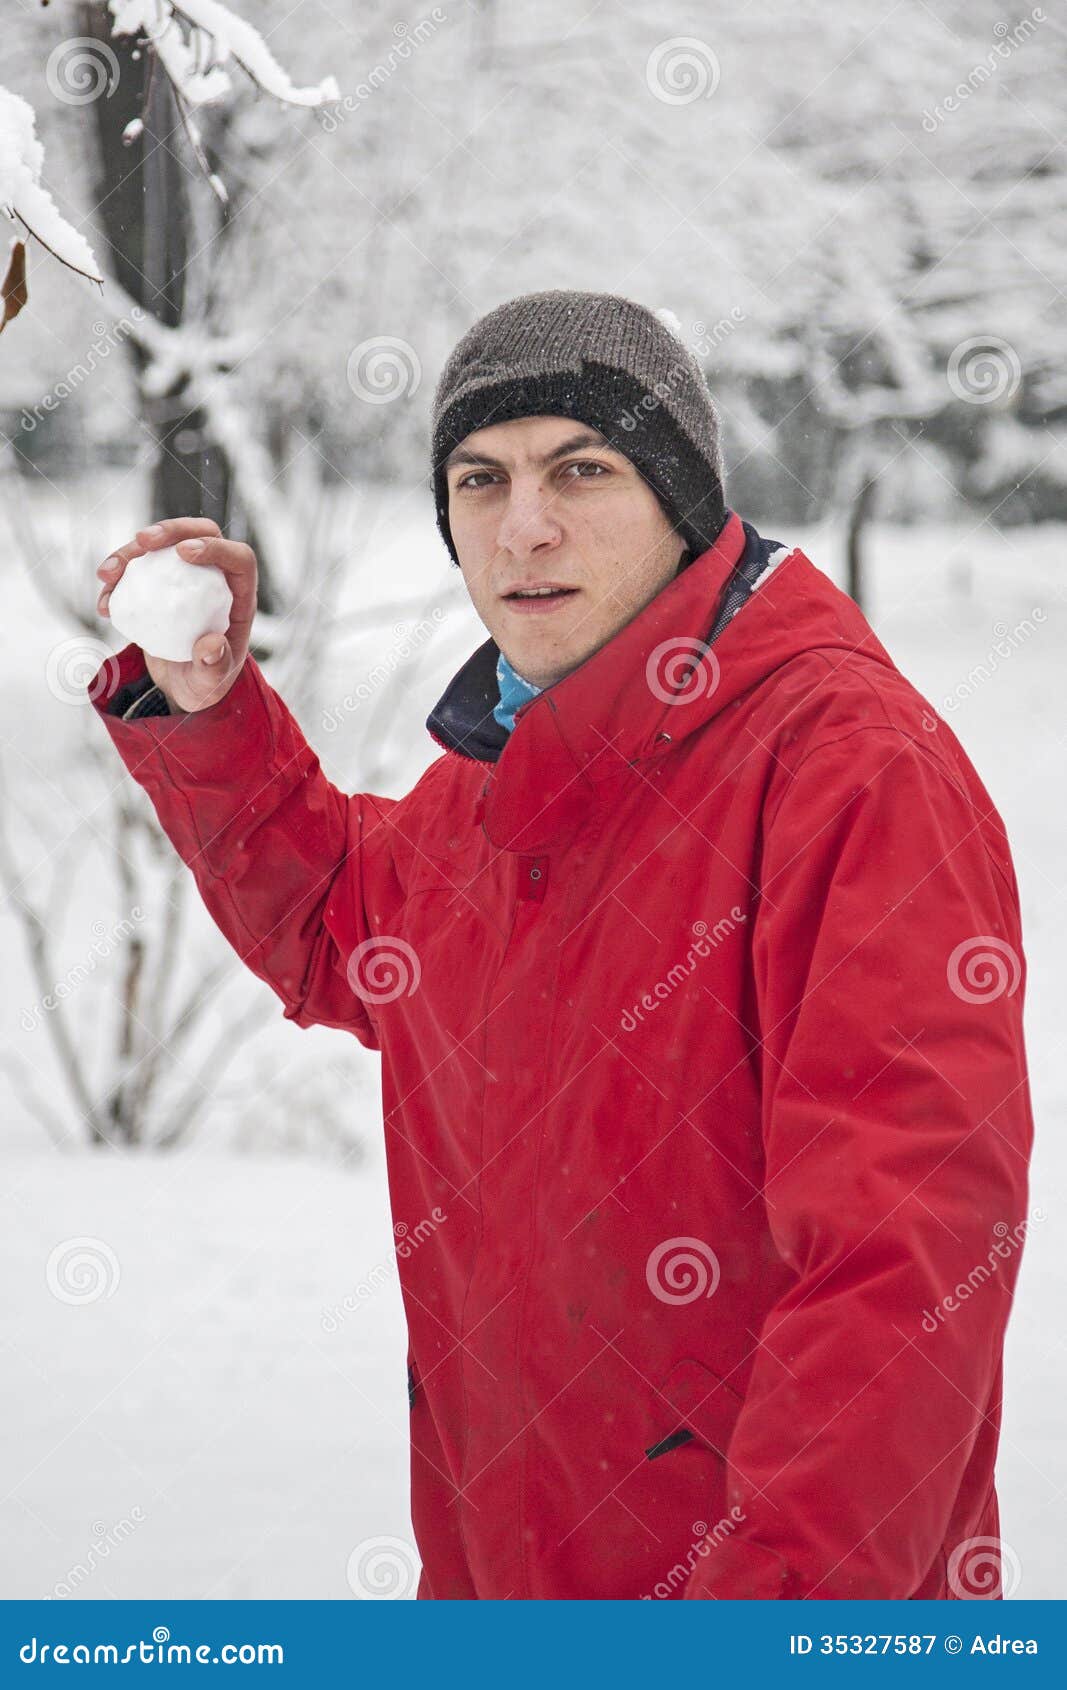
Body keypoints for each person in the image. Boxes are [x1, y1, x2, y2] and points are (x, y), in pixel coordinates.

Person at [88, 289, 1034, 1601]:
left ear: (684, 501)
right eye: (480, 479)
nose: (522, 525)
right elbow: (343, 922)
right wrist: (207, 705)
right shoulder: (509, 781)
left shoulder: (846, 768)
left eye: (579, 469)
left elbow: (902, 1269)